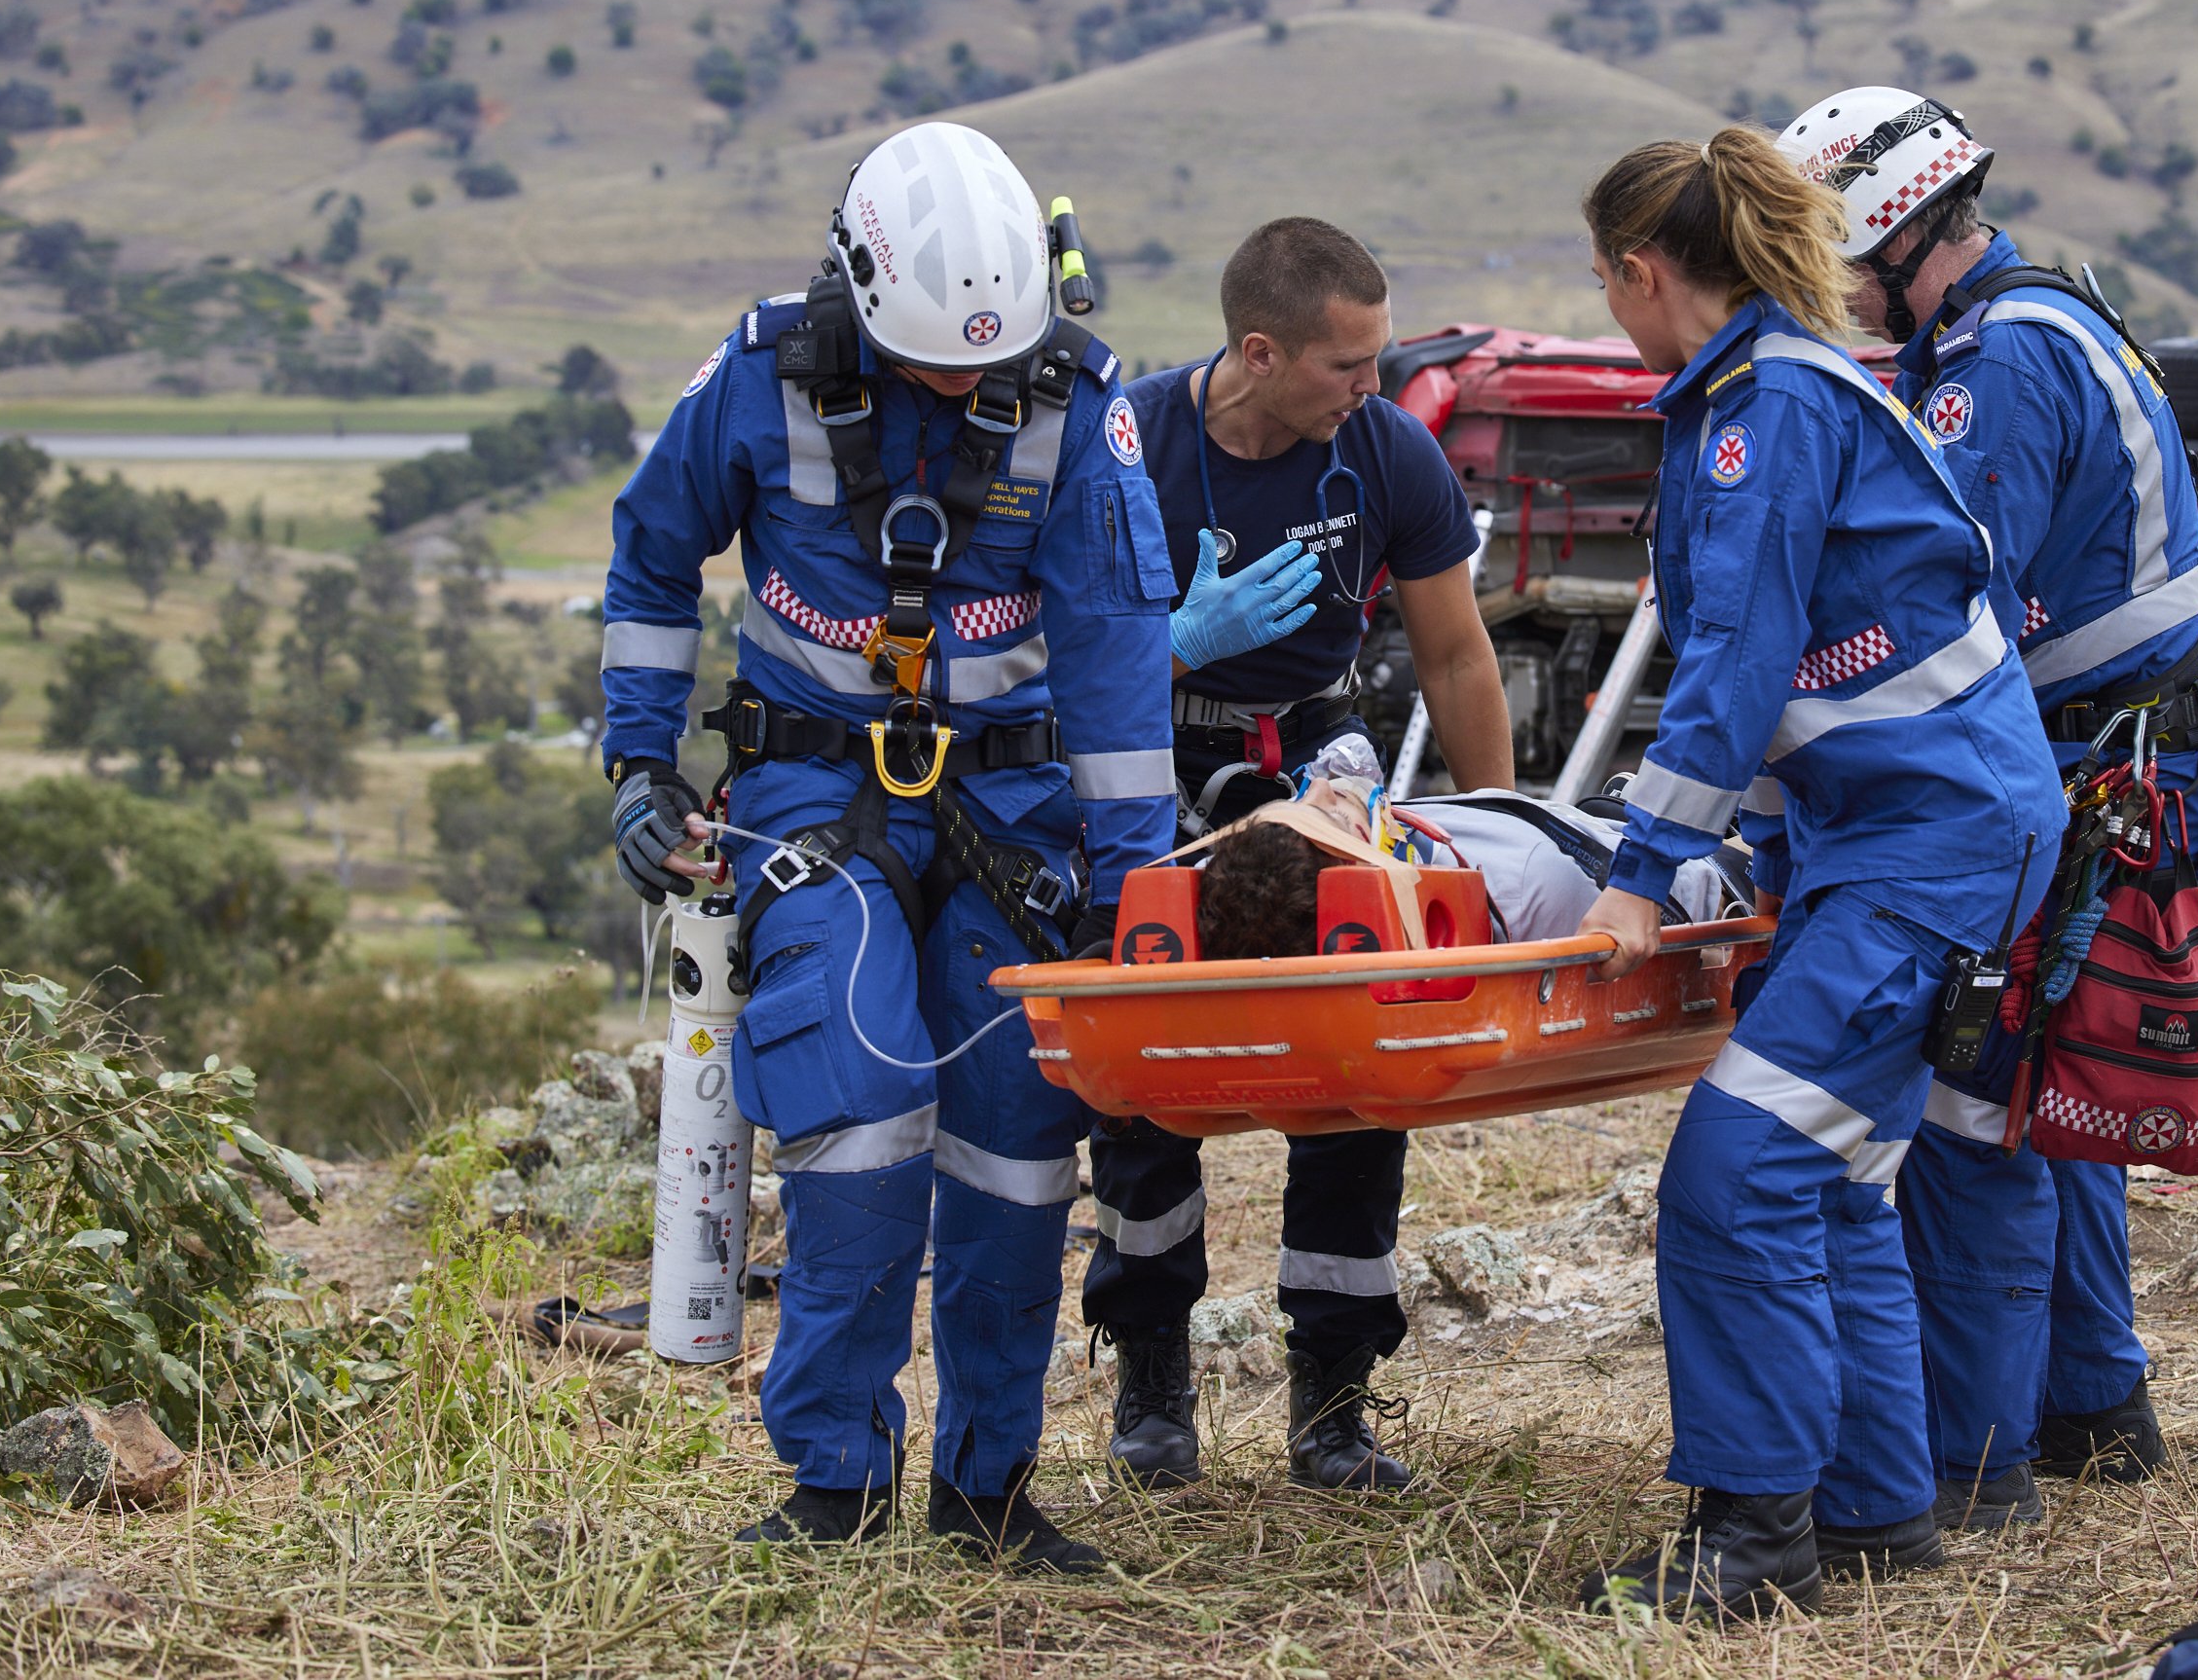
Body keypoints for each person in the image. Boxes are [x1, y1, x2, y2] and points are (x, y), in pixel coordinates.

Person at [599, 121, 1175, 1575]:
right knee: (852, 1118)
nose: (961, 386)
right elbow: (655, 551)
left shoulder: (1075, 403)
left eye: (984, 362)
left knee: (1014, 1153)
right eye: (932, 362)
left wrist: (1131, 897)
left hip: (1014, 818)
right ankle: (837, 1476)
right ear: (857, 295)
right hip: (811, 804)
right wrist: (634, 755)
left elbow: (1115, 660)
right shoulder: (757, 375)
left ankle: (989, 1486)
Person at [1565, 129, 2065, 1622]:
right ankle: (1872, 1508)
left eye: (1605, 284)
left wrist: (1642, 872)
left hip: (1933, 844)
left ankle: (1753, 1541)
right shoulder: (1771, 387)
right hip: (1909, 834)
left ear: (1645, 273)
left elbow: (1739, 660)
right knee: (1838, 1167)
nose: (1607, 306)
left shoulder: (1769, 406)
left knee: (1738, 1170)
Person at [1775, 87, 2198, 1534]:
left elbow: (1945, 605)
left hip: (2099, 768)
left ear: (1885, 231)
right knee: (2051, 1087)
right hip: (2140, 759)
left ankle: (1974, 1462)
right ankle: (2093, 1403)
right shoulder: (2047, 314)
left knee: (1970, 1102)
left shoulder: (1990, 370)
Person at [1084, 216, 1513, 1496]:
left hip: (1316, 750)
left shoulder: (1385, 451)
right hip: (1145, 741)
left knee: (1355, 1059)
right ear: (1258, 352)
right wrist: (1169, 642)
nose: (1370, 390)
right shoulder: (1128, 445)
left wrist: (1492, 836)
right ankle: (1152, 1379)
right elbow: (1050, 670)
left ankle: (1333, 1405)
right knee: (1149, 1066)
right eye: (1346, 368)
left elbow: (1456, 656)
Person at [1193, 776, 1757, 955]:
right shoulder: (1524, 880)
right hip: (1719, 878)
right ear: (1365, 848)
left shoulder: (1265, 893)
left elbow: (1241, 881)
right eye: (1332, 804)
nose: (1324, 781)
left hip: (1599, 835)